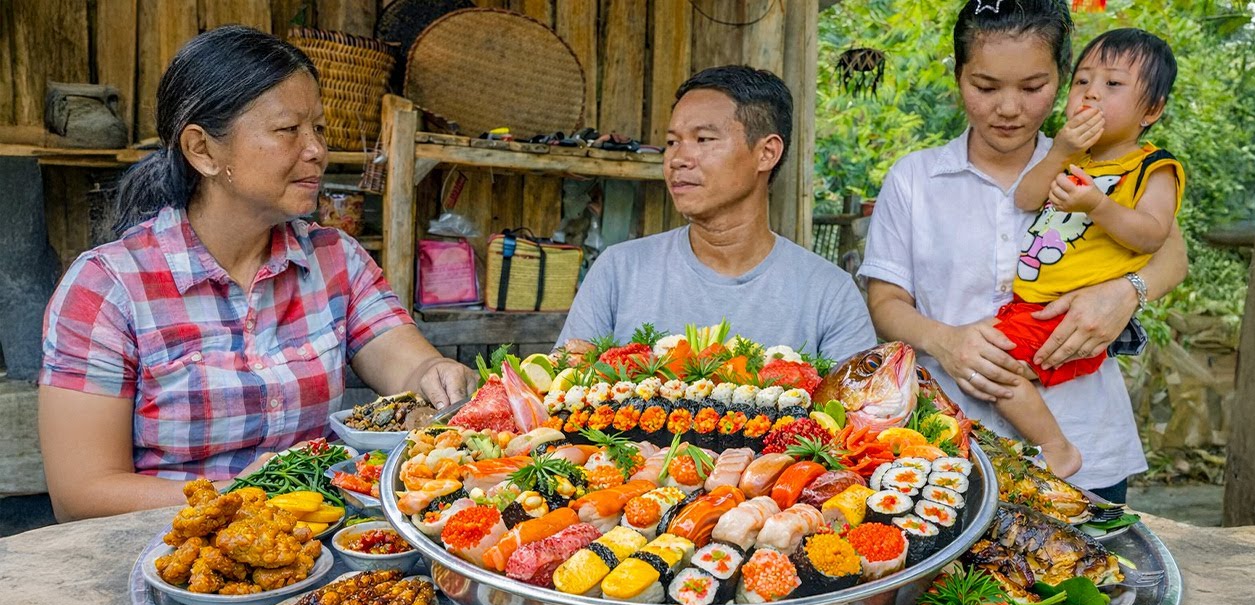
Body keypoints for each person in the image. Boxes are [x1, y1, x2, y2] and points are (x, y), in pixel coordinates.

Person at [38, 26, 475, 522]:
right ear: (202, 149)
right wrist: (242, 492)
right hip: (172, 557)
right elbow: (81, 494)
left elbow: (408, 365)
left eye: (320, 128)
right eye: (289, 130)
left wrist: (435, 375)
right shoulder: (107, 287)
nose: (315, 150)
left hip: (320, 543)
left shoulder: (336, 260)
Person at [860, 0, 1188, 500]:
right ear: (959, 75)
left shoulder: (1104, 171)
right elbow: (885, 305)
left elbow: (1171, 253)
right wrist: (947, 340)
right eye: (985, 87)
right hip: (946, 448)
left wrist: (1125, 294)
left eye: (1033, 88)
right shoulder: (916, 179)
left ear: (1063, 79)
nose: (1009, 108)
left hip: (1085, 440)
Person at [557, 65, 875, 362]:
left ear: (766, 153)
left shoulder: (829, 293)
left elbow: (859, 414)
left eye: (703, 139)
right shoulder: (619, 271)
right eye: (672, 142)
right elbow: (559, 391)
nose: (678, 159)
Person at [993, 28, 1184, 477]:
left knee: (998, 373)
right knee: (994, 363)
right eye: (1082, 82)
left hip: (1071, 313)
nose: (1091, 94)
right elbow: (1026, 199)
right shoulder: (1079, 158)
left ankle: (1057, 450)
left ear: (1152, 110)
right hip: (1033, 305)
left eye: (1112, 85)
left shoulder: (1152, 168)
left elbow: (1154, 236)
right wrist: (1062, 149)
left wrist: (1097, 204)